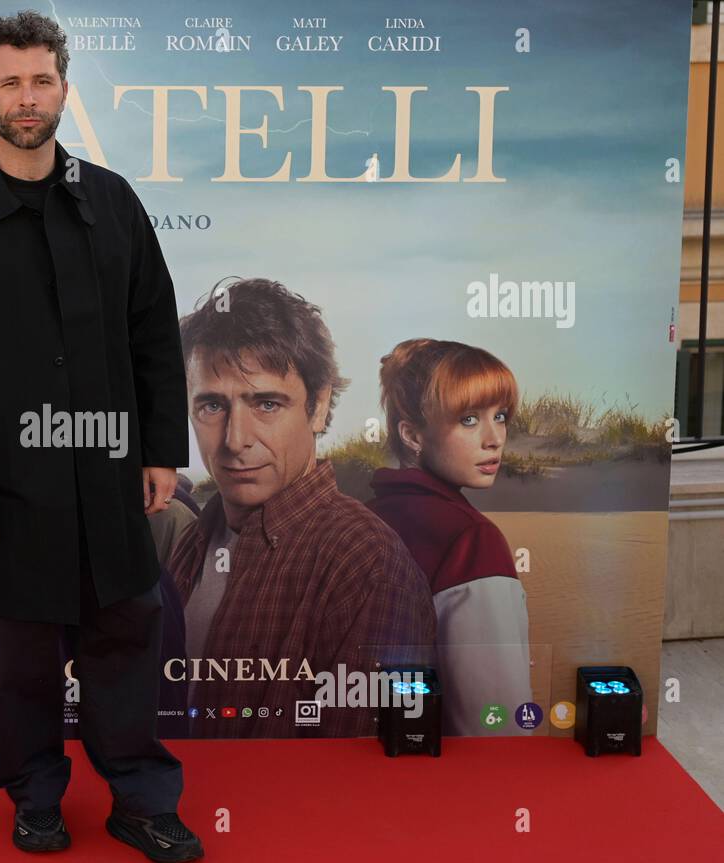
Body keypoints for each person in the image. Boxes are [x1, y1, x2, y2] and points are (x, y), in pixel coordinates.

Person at [0, 10, 202, 862]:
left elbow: (152, 334)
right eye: (9, 82)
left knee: (125, 645)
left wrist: (160, 451)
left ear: (64, 88)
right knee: (21, 665)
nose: (26, 98)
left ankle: (141, 801)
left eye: (41, 81)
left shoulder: (111, 202)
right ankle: (34, 799)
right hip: (2, 491)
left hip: (107, 480)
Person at [167, 278, 438, 738]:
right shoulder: (193, 544)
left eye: (267, 403)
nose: (235, 441)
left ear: (318, 406)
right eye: (212, 406)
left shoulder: (366, 564)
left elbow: (357, 785)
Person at [366, 338, 534, 736]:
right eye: (470, 420)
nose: (494, 438)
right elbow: (496, 722)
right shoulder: (471, 540)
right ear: (412, 435)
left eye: (501, 416)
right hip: (449, 785)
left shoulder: (365, 517)